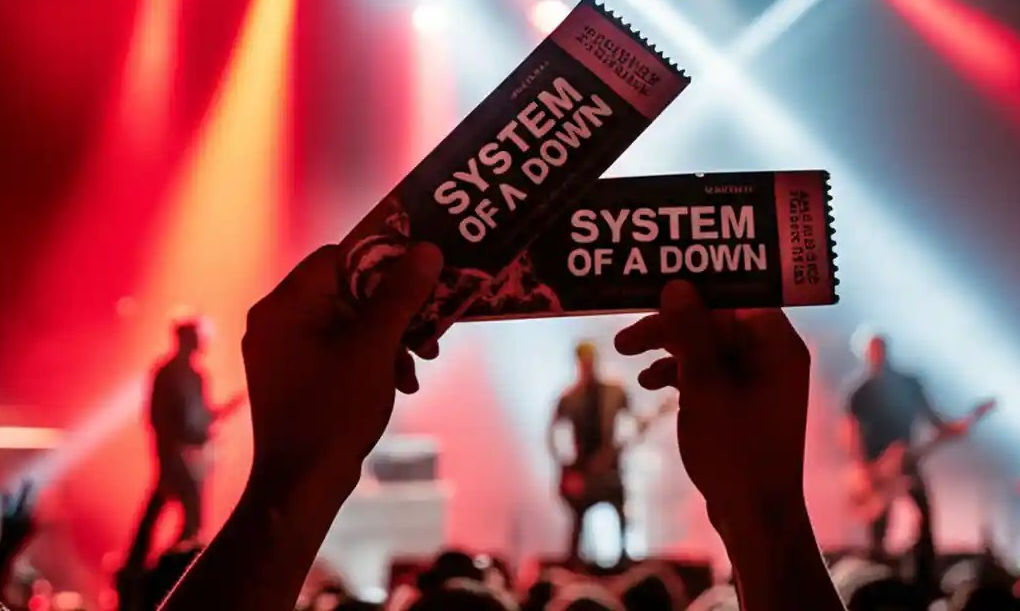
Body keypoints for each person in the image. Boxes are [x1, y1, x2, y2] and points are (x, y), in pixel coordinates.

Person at [159, 244, 845, 610]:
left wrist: (290, 483)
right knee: (585, 533)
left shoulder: (610, 394)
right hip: (586, 471)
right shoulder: (574, 401)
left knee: (620, 526)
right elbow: (553, 432)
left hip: (604, 468)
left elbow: (619, 421)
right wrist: (766, 515)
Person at [842, 334, 965, 571]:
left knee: (923, 512)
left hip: (905, 460)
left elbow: (931, 415)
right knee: (879, 521)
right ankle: (879, 568)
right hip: (875, 466)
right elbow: (849, 430)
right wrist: (863, 467)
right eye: (873, 351)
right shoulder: (860, 392)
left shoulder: (909, 385)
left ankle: (924, 565)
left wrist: (951, 428)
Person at [127, 319, 217, 559]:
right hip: (172, 451)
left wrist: (204, 430)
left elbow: (200, 417)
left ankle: (153, 562)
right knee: (187, 506)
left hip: (186, 453)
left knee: (168, 504)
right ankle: (170, 562)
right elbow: (159, 415)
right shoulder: (167, 373)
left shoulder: (195, 376)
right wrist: (168, 447)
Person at [548, 341, 636, 567]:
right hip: (582, 470)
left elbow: (630, 425)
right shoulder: (569, 398)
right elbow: (553, 434)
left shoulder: (615, 392)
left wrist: (615, 452)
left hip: (610, 469)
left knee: (620, 512)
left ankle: (622, 560)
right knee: (578, 521)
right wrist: (567, 466)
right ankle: (575, 563)